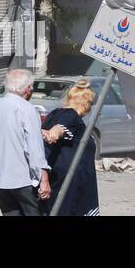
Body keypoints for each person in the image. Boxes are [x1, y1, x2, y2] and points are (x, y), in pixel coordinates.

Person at [0, 68, 51, 216]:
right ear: (27, 88)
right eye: (31, 87)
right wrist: (44, 179)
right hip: (22, 179)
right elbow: (34, 148)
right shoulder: (27, 109)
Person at [39, 79, 100, 216]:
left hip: (58, 175)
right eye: (90, 104)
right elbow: (60, 129)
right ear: (86, 103)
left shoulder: (54, 114)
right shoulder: (71, 115)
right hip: (70, 183)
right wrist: (53, 133)